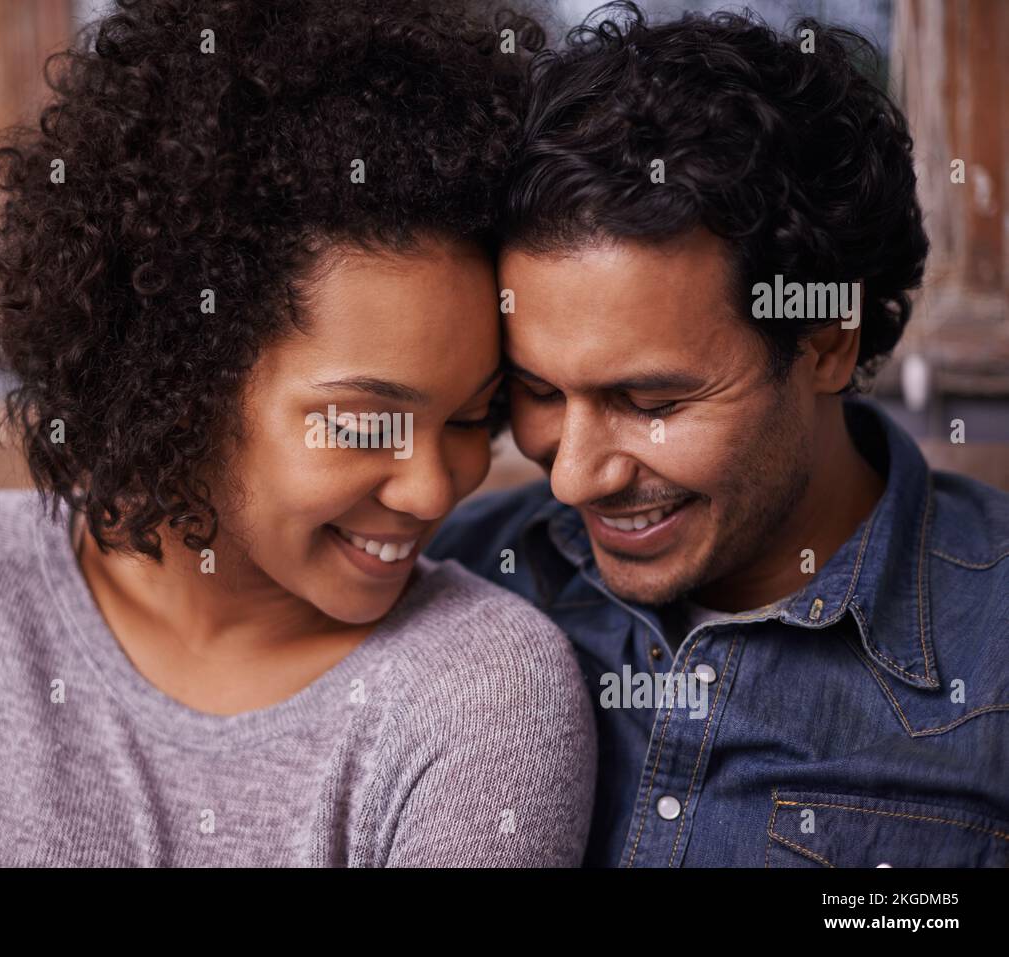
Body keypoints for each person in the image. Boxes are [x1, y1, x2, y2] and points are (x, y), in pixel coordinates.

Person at [0, 0, 596, 867]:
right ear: (185, 376)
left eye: (464, 418)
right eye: (363, 421)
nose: (431, 488)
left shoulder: (484, 692)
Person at [429, 3, 1009, 867]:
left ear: (824, 341)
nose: (574, 479)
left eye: (652, 401)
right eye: (538, 391)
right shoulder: (445, 586)